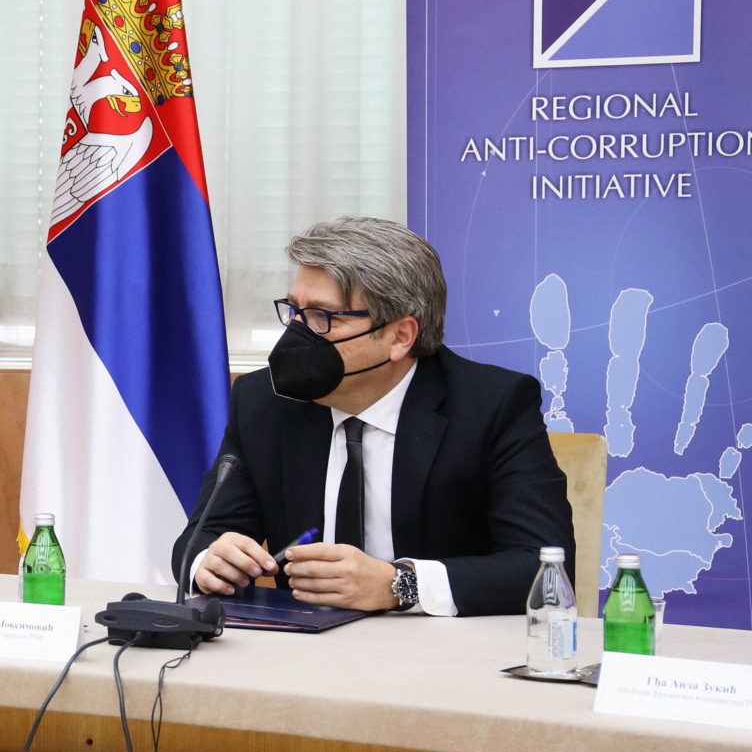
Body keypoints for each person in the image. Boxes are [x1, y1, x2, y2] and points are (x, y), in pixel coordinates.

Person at [175, 216, 573, 616]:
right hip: (302, 652)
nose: (297, 333)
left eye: (322, 317)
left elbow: (544, 565)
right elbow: (199, 539)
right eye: (294, 311)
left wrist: (398, 584)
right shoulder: (266, 401)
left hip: (444, 655)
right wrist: (209, 561)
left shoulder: (492, 406)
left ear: (400, 336)